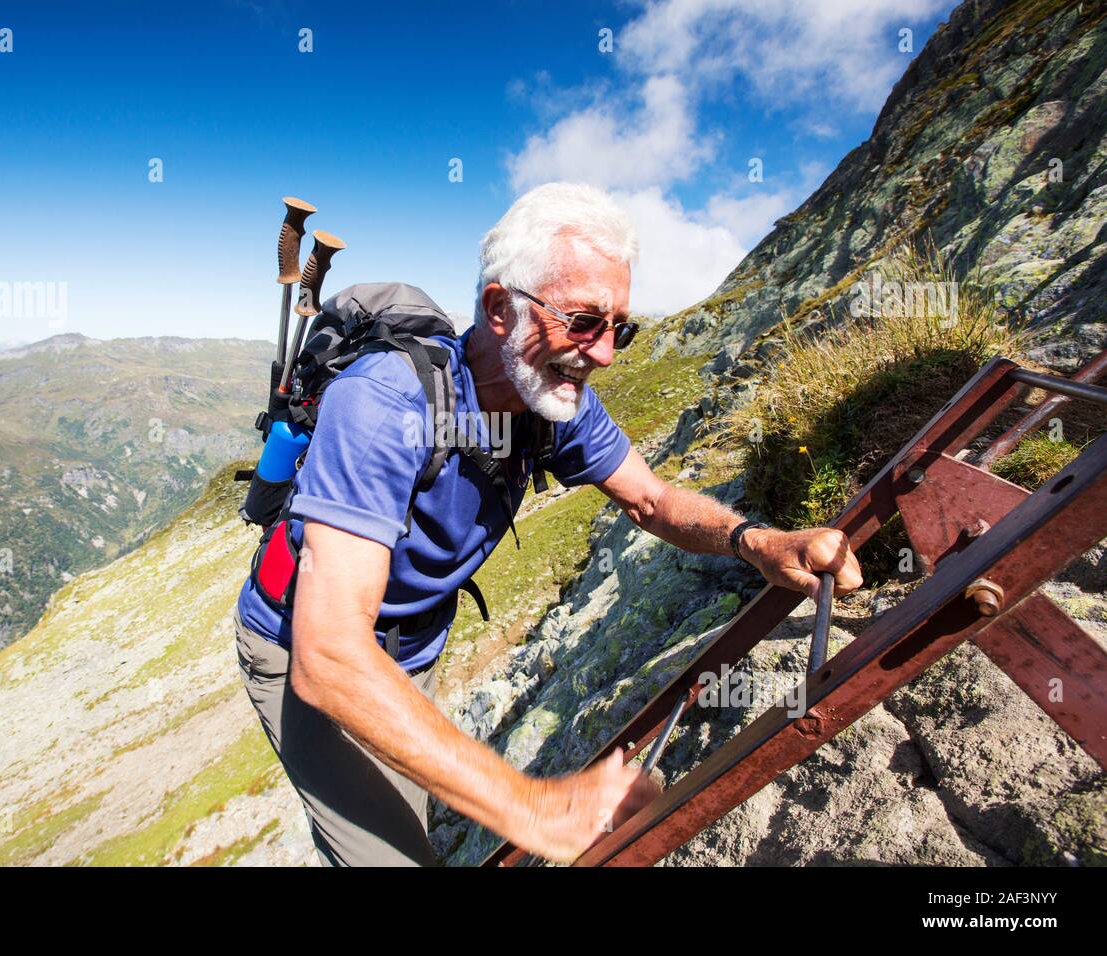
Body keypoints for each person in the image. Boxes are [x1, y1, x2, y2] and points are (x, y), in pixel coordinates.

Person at [233, 181, 862, 866]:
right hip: (300, 646)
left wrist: (760, 544)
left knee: (406, 819)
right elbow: (329, 659)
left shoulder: (550, 401)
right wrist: (535, 808)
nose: (605, 354)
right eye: (583, 321)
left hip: (409, 646)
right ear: (500, 307)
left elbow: (649, 499)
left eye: (619, 327)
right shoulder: (385, 402)